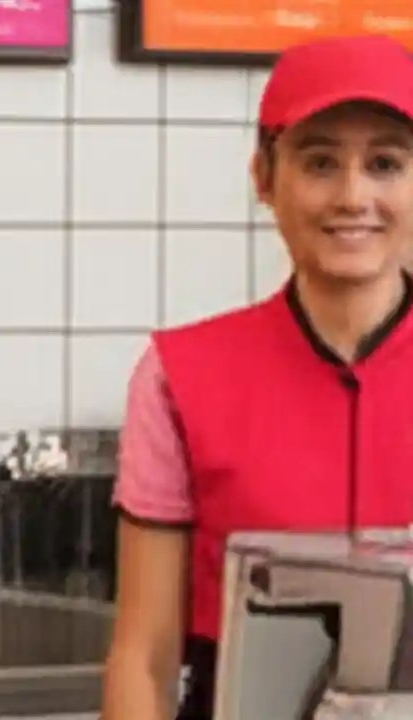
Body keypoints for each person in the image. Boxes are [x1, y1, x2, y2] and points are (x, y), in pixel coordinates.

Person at [102, 34, 413, 720]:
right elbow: (146, 655)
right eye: (320, 162)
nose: (353, 195)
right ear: (265, 179)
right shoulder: (178, 377)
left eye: (385, 163)